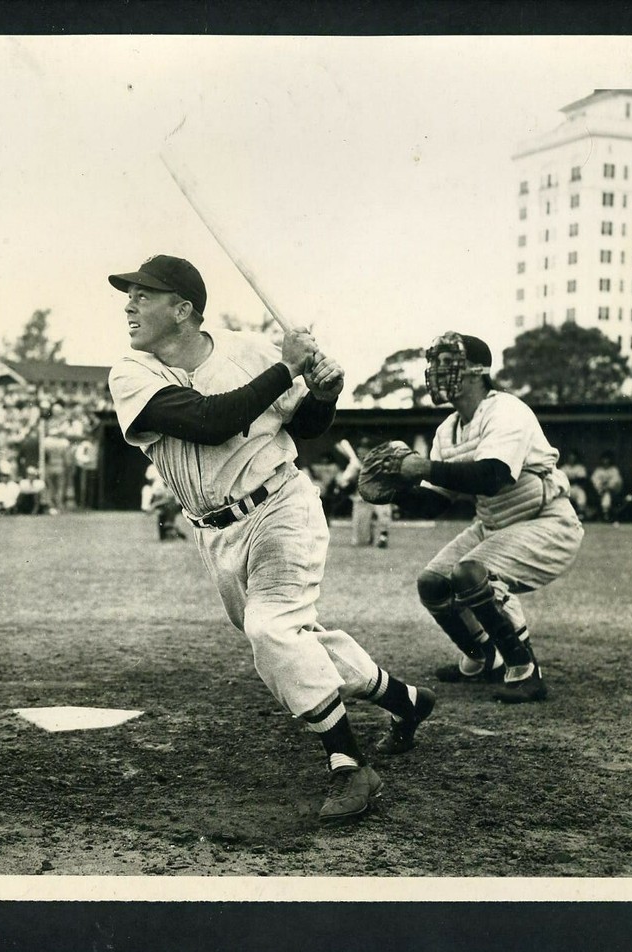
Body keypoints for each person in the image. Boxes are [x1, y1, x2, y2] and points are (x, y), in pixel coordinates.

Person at [107, 254, 433, 824]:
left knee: (271, 628)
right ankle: (403, 700)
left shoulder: (249, 350)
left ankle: (349, 765)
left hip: (280, 505)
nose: (129, 305)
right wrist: (289, 370)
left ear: (183, 310)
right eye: (128, 295)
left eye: (144, 295)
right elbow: (210, 420)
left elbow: (303, 425)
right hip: (214, 531)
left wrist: (323, 391)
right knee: (290, 637)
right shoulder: (131, 373)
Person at [362, 332, 584, 703]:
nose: (436, 371)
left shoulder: (506, 410)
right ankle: (483, 658)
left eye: (448, 363)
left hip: (548, 521)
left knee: (470, 573)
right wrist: (399, 488)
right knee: (432, 583)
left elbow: (493, 476)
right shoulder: (446, 430)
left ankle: (524, 669)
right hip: (495, 524)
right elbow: (437, 502)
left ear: (478, 371)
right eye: (434, 363)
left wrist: (423, 466)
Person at [338, 438, 391, 548]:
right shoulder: (354, 465)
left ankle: (383, 537)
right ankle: (368, 537)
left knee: (384, 515)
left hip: (378, 494)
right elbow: (343, 483)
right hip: (361, 496)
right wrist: (354, 476)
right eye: (361, 451)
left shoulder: (378, 462)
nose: (363, 453)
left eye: (366, 450)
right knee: (360, 538)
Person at [590, 451, 624, 523]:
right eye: (604, 459)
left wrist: (607, 487)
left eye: (607, 459)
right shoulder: (598, 470)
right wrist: (600, 488)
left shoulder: (614, 470)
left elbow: (616, 481)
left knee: (607, 494)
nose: (606, 461)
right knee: (605, 494)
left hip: (612, 492)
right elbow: (594, 481)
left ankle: (606, 515)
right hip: (600, 491)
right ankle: (605, 515)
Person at [558, 449, 590, 519]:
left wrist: (570, 479)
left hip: (576, 488)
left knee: (581, 494)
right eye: (570, 457)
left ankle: (581, 513)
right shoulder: (564, 467)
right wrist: (574, 479)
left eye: (573, 457)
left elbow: (581, 480)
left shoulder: (580, 468)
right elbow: (559, 479)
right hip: (566, 488)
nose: (571, 459)